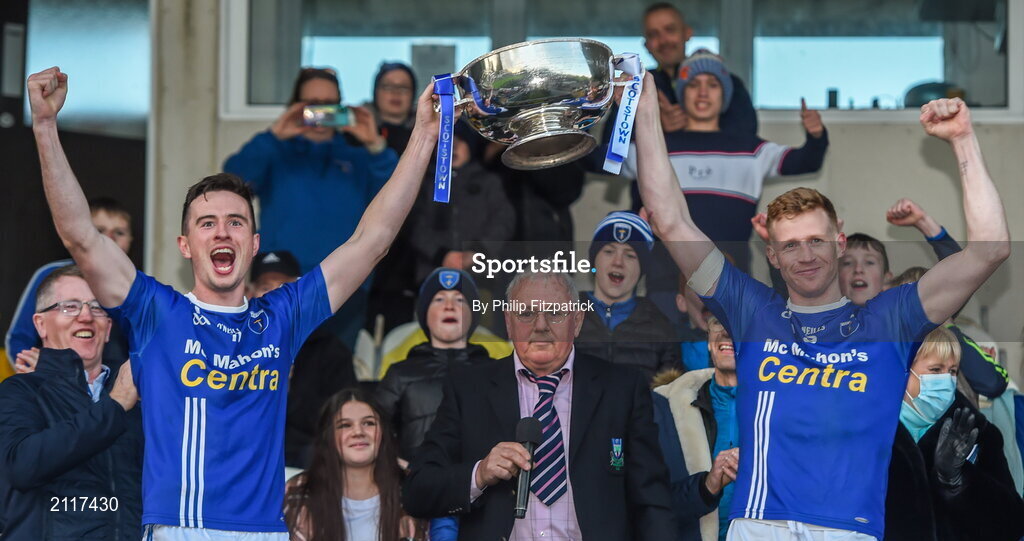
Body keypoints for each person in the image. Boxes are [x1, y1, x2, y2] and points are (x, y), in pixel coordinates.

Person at [28, 66, 439, 539]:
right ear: (185, 245)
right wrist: (44, 126)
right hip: (180, 528)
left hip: (265, 529)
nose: (222, 231)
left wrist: (424, 135)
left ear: (253, 241)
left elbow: (373, 240)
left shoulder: (282, 316)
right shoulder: (157, 311)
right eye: (207, 223)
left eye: (235, 222)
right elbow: (81, 237)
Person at [631, 64, 1009, 541]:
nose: (805, 255)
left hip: (850, 531)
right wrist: (644, 106)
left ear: (839, 242)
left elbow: (989, 250)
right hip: (759, 526)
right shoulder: (751, 311)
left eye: (816, 241)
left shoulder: (890, 317)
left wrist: (962, 139)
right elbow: (669, 219)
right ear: (772, 253)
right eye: (790, 245)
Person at [402, 272, 675, 540]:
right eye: (526, 313)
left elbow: (652, 500)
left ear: (577, 321)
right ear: (508, 322)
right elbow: (418, 491)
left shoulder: (621, 388)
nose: (541, 325)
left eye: (555, 313)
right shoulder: (469, 390)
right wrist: (480, 473)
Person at [223, 67, 400, 350]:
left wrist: (376, 145)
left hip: (346, 286)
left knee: (333, 377)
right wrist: (273, 136)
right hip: (279, 285)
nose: (321, 112)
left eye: (329, 104)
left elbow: (397, 196)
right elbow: (231, 186)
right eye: (312, 104)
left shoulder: (358, 156)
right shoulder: (275, 152)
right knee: (271, 370)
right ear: (296, 107)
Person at [621, 50, 829, 273]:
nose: (702, 92)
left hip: (734, 278)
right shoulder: (655, 146)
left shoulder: (752, 149)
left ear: (725, 95)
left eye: (712, 84)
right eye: (693, 84)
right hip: (665, 281)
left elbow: (807, 161)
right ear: (682, 93)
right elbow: (597, 159)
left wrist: (816, 135)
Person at [0, 265, 142, 541]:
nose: (86, 316)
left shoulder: (138, 400)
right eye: (70, 306)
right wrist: (113, 406)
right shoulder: (20, 392)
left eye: (97, 308)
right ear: (40, 324)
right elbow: (23, 467)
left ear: (108, 327)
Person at [884, 326, 1024, 540]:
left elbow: (1011, 525)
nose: (946, 381)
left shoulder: (977, 432)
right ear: (902, 369)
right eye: (935, 370)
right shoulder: (869, 430)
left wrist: (956, 481)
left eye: (952, 371)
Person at [838, 228, 1009, 399]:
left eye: (869, 262)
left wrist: (927, 225)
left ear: (887, 281)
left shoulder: (912, 318)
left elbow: (960, 278)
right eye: (847, 263)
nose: (858, 269)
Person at [376, 268, 493, 463]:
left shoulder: (494, 371)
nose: (449, 306)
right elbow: (374, 430)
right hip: (416, 484)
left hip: (481, 485)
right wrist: (401, 468)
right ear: (424, 314)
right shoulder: (400, 373)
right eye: (439, 299)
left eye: (459, 300)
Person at [6, 197, 133, 372]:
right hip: (54, 384)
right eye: (100, 230)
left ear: (131, 240)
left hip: (110, 389)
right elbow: (20, 337)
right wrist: (37, 374)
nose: (110, 238)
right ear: (82, 234)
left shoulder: (137, 285)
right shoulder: (50, 275)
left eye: (119, 232)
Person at [284, 388, 418, 541]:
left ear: (383, 432)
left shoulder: (412, 489)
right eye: (345, 425)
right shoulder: (297, 491)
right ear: (327, 437)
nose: (358, 432)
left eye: (368, 423)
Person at [652, 315, 740, 541]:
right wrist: (707, 486)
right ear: (709, 339)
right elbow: (653, 504)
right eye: (719, 322)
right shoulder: (664, 408)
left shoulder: (789, 409)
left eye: (742, 322)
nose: (726, 332)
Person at [576, 211, 681, 382]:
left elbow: (669, 398)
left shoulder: (661, 328)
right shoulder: (561, 315)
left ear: (642, 269)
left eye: (630, 255)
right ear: (593, 261)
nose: (618, 262)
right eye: (609, 251)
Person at [407, 124, 515, 284]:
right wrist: (441, 254)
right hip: (433, 273)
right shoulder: (424, 183)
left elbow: (504, 220)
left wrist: (478, 251)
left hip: (481, 272)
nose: (453, 147)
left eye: (460, 141)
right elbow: (414, 224)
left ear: (471, 147)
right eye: (445, 143)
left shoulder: (488, 182)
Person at [641, 2, 756, 135]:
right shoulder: (640, 86)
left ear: (687, 33)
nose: (663, 40)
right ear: (646, 45)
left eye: (670, 30)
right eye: (653, 34)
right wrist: (654, 124)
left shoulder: (726, 82)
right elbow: (616, 141)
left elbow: (746, 134)